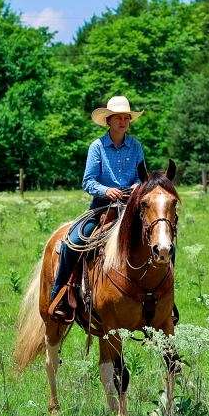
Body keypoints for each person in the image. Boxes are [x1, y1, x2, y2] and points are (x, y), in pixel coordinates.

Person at [48, 96, 150, 321]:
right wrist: (107, 191)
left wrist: (135, 187)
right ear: (109, 121)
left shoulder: (136, 147)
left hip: (131, 207)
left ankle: (163, 302)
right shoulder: (97, 147)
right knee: (73, 241)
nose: (123, 122)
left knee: (160, 241)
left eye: (126, 118)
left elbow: (142, 178)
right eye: (118, 118)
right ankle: (60, 295)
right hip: (103, 208)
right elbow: (88, 181)